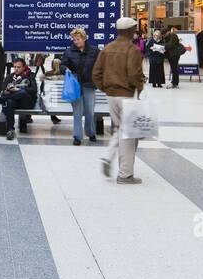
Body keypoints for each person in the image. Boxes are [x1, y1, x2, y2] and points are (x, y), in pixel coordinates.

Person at [92, 16, 145, 184]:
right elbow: (133, 74)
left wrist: (106, 88)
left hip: (111, 96)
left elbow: (96, 73)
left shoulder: (107, 48)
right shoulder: (133, 50)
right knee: (129, 135)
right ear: (130, 31)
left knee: (120, 129)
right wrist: (140, 87)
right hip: (127, 96)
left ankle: (108, 157)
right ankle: (125, 174)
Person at [61, 26, 100, 144]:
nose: (76, 41)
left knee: (89, 110)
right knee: (77, 111)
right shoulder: (69, 52)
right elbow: (63, 65)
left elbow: (100, 65)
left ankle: (91, 132)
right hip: (75, 84)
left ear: (84, 38)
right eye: (74, 39)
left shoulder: (94, 51)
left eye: (78, 39)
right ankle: (77, 136)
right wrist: (65, 69)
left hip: (89, 83)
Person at [0, 56, 37, 142]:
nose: (16, 69)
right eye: (14, 67)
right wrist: (7, 91)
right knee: (10, 102)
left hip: (27, 102)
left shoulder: (30, 75)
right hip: (15, 101)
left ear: (24, 67)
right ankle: (10, 129)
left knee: (23, 92)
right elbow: (3, 89)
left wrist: (18, 89)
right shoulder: (10, 77)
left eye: (18, 67)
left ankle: (1, 99)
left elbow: (34, 90)